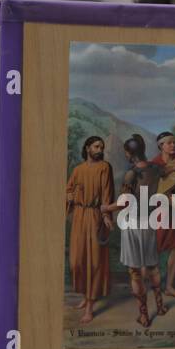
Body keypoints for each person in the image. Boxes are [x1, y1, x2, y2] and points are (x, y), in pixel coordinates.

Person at [108, 134, 167, 328]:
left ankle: (143, 316)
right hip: (149, 223)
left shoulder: (131, 174)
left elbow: (124, 202)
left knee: (135, 272)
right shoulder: (156, 169)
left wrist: (104, 208)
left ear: (128, 153)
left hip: (133, 223)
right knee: (153, 267)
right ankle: (160, 307)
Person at [65, 135, 114, 324]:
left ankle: (90, 307)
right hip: (79, 216)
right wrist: (69, 196)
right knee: (77, 260)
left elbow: (106, 194)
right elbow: (68, 189)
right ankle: (85, 296)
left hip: (94, 216)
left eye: (101, 147)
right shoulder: (78, 170)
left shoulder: (104, 167)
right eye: (96, 146)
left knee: (94, 261)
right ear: (87, 148)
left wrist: (106, 216)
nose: (100, 150)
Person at [150, 132, 175, 298]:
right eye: (169, 143)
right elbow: (153, 188)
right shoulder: (154, 163)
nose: (173, 145)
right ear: (161, 146)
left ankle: (170, 286)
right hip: (161, 208)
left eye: (174, 142)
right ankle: (154, 283)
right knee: (156, 245)